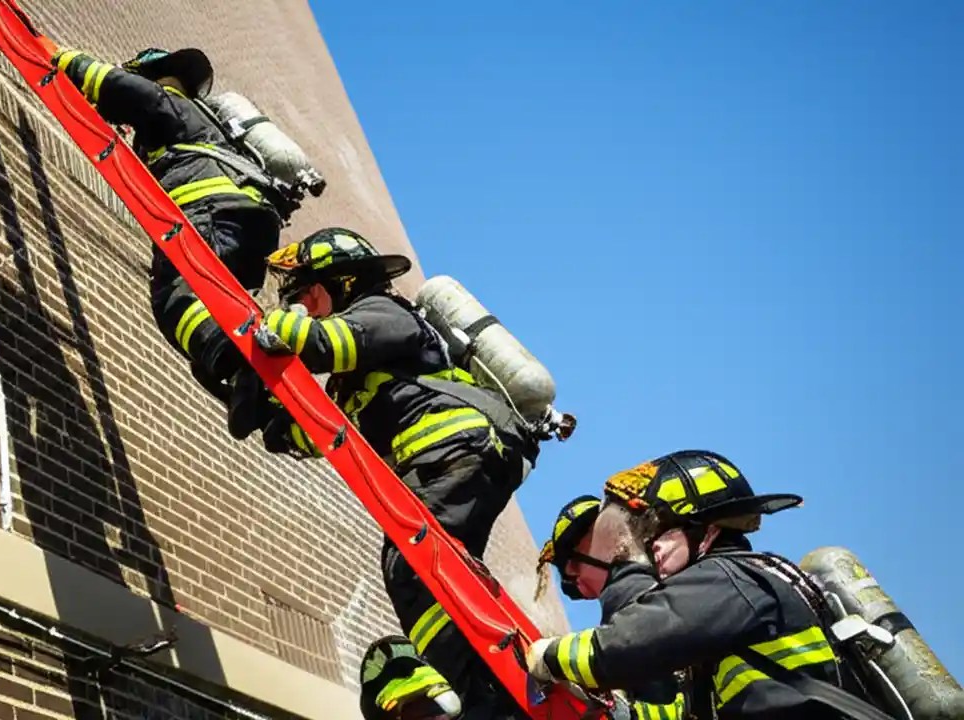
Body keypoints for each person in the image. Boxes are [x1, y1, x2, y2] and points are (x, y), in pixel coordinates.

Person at [254, 227, 545, 718]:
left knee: (415, 568)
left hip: (453, 451)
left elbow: (323, 342)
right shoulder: (362, 372)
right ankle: (496, 683)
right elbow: (321, 429)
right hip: (455, 459)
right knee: (441, 575)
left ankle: (479, 700)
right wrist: (265, 413)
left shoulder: (383, 313)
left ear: (342, 282)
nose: (308, 304)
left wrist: (277, 325)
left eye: (309, 293)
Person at [526, 450, 895, 720]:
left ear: (705, 531)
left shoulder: (730, 578)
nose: (651, 550)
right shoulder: (727, 610)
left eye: (658, 534)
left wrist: (545, 656)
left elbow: (626, 644)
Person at [50, 45, 300, 438]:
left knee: (176, 301)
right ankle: (261, 396)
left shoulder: (170, 104)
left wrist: (63, 60)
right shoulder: (216, 132)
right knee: (226, 317)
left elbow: (121, 89)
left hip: (213, 214)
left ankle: (238, 367)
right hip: (254, 224)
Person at [535, 496, 688, 720]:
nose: (608, 538)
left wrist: (550, 656)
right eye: (593, 535)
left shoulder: (633, 589)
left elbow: (621, 647)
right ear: (573, 573)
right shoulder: (649, 590)